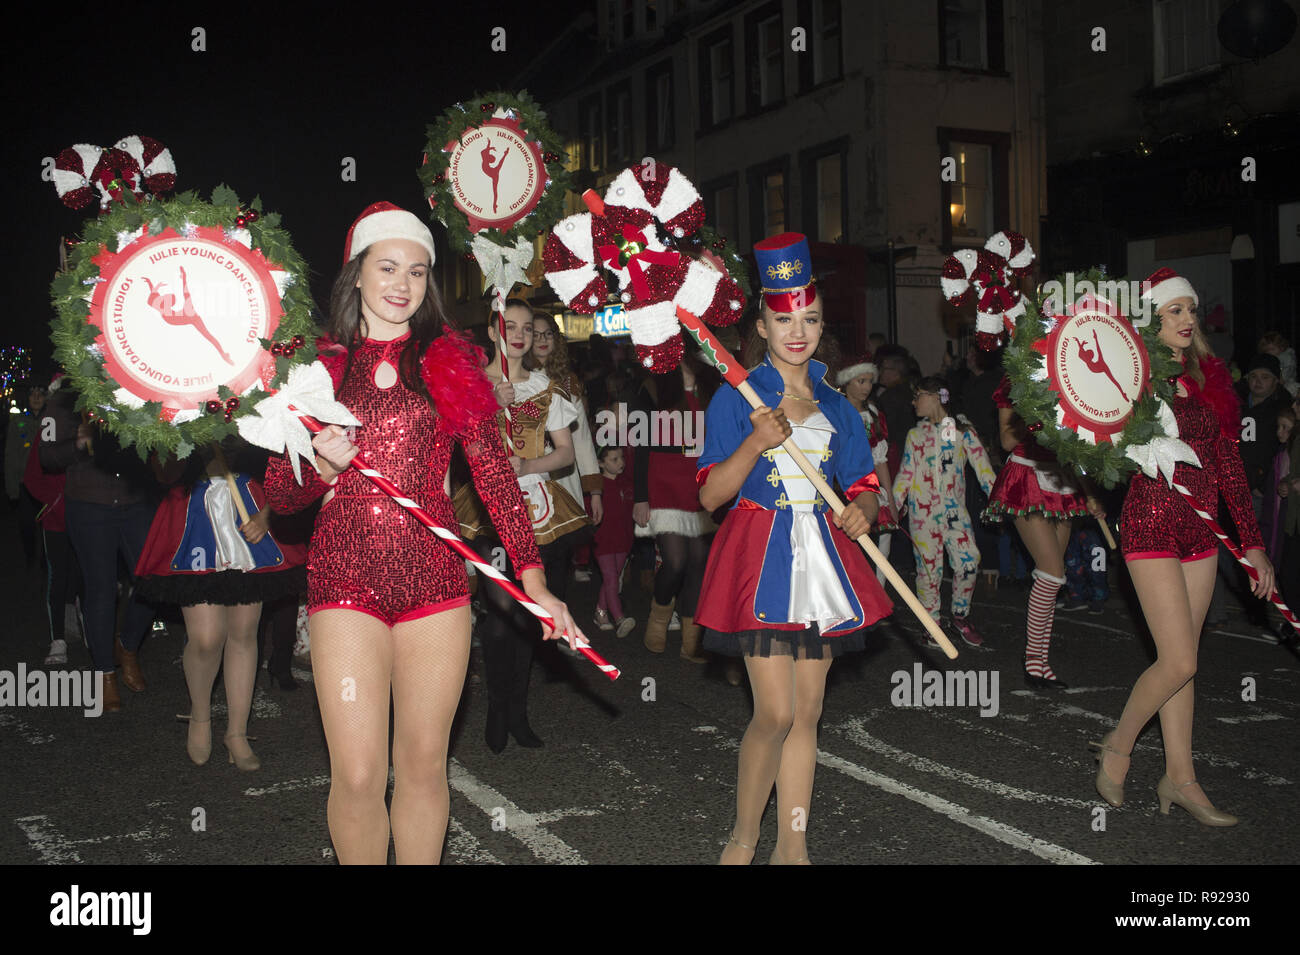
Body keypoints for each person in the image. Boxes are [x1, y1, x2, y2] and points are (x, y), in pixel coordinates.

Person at [264, 203, 580, 863]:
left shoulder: (448, 361)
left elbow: (495, 478)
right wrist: (323, 466)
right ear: (356, 274)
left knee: (423, 766)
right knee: (357, 775)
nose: (402, 283)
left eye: (416, 270)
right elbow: (280, 496)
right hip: (344, 582)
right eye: (387, 267)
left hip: (435, 587)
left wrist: (535, 581)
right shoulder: (315, 370)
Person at [697, 233, 891, 864]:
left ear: (822, 324)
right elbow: (710, 495)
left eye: (809, 318)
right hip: (761, 557)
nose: (798, 331)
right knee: (775, 713)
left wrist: (863, 511)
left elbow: (864, 486)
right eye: (784, 320)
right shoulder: (737, 396)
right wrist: (756, 442)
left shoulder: (838, 405)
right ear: (762, 325)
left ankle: (793, 847)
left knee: (807, 713)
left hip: (826, 561)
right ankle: (743, 838)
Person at [1093, 268, 1274, 827]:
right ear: (1151, 320)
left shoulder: (1210, 378)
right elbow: (1099, 445)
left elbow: (1230, 468)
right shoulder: (1133, 378)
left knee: (1183, 667)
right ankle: (1118, 746)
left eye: (1191, 309)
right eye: (1175, 310)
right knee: (1179, 659)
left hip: (1202, 533)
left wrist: (1253, 545)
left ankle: (1180, 777)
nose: (1188, 319)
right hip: (1150, 525)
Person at [454, 298, 589, 753]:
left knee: (531, 615)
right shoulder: (469, 383)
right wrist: (487, 404)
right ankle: (496, 707)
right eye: (509, 326)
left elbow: (565, 454)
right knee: (498, 615)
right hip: (487, 511)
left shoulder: (545, 387)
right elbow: (450, 444)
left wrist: (527, 464)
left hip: (539, 510)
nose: (519, 335)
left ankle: (518, 712)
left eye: (527, 328)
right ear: (493, 332)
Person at [135, 440, 306, 769]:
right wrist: (183, 439)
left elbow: (285, 463)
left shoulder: (256, 409)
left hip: (248, 513)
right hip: (194, 516)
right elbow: (163, 472)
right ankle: (200, 715)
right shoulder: (177, 414)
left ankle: (236, 733)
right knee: (207, 637)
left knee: (244, 631)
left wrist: (267, 515)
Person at [39, 381, 160, 711]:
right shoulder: (65, 395)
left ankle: (128, 647)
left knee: (153, 582)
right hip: (90, 505)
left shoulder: (136, 380)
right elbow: (46, 456)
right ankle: (104, 672)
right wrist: (78, 443)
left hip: (136, 499)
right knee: (101, 589)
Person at [984, 369, 1105, 688]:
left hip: (1063, 481)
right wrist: (1034, 415)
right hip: (1026, 477)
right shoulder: (1014, 380)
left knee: (1052, 576)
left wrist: (1090, 492)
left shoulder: (1067, 374)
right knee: (1052, 573)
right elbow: (1007, 441)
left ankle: (1040, 661)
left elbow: (1077, 446)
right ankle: (1033, 662)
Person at [893, 376, 996, 647]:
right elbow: (905, 474)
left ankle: (960, 615)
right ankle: (932, 625)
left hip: (955, 513)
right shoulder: (915, 435)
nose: (914, 402)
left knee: (969, 561)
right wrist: (893, 505)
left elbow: (984, 469)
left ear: (935, 397)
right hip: (922, 516)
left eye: (918, 395)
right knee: (928, 571)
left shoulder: (963, 431)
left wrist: (999, 499)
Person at [632, 351, 720, 661]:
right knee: (676, 561)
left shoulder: (713, 381)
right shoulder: (654, 385)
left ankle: (691, 639)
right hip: (663, 480)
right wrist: (640, 496)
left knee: (699, 561)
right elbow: (641, 444)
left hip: (701, 480)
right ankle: (659, 613)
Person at [837, 355, 898, 579]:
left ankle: (879, 589)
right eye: (860, 381)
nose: (867, 387)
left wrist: (890, 498)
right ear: (847, 382)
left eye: (870, 381)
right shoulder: (837, 412)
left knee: (884, 541)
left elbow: (880, 459)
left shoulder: (873, 415)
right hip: (846, 486)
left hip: (872, 485)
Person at [592, 446, 636, 638]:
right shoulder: (597, 487)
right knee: (610, 577)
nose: (621, 463)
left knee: (613, 577)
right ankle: (619, 618)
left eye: (621, 458)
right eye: (614, 459)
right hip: (603, 540)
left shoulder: (626, 483)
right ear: (601, 463)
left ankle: (600, 612)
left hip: (623, 539)